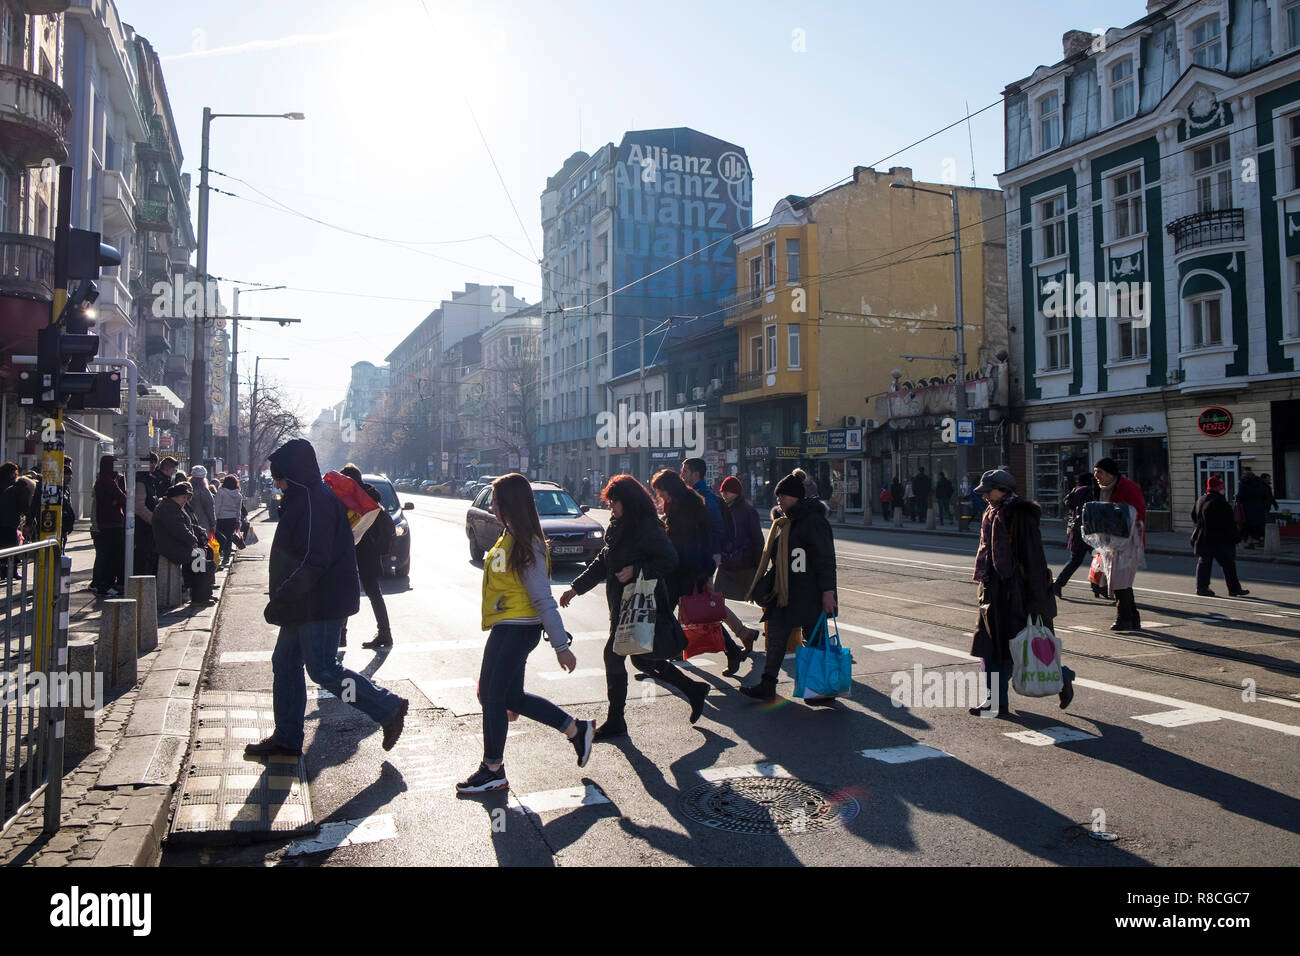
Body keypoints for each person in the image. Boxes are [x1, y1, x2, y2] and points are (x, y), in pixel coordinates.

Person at [245, 439, 409, 759]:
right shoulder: (306, 496)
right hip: (304, 601)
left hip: (319, 601)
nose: (276, 484)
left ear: (291, 475)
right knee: (286, 662)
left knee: (323, 670)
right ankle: (288, 737)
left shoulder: (311, 501)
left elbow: (312, 559)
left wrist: (283, 596)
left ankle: (388, 707)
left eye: (279, 477)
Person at [458, 474, 594, 793]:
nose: (491, 505)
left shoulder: (527, 543)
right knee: (507, 697)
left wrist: (561, 645)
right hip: (508, 627)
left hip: (518, 630)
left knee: (492, 696)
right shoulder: (511, 535)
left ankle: (493, 769)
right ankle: (577, 730)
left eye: (495, 500)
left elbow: (543, 598)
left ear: (510, 505)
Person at [560, 475, 707, 740]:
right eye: (608, 503)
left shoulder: (647, 527)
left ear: (627, 500)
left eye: (613, 502)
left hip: (641, 604)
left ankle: (616, 721)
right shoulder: (618, 526)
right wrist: (576, 588)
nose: (610, 507)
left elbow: (670, 560)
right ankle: (693, 690)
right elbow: (603, 562)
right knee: (640, 657)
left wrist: (638, 569)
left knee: (614, 654)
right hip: (622, 603)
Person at [969, 469, 1074, 716]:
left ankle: (1063, 675)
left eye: (988, 490)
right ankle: (995, 700)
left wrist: (1038, 599)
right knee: (990, 647)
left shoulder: (1020, 516)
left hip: (1016, 592)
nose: (984, 495)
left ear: (1003, 490)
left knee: (1020, 648)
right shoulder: (992, 512)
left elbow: (1034, 558)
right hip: (992, 589)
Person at [741, 471, 837, 701]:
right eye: (778, 497)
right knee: (775, 636)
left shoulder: (813, 522)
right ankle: (767, 684)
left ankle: (820, 688)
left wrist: (828, 592)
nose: (779, 501)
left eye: (782, 496)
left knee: (815, 640)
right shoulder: (785, 523)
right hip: (785, 592)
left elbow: (825, 559)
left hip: (811, 593)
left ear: (795, 497)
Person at [652, 469, 747, 676]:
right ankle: (661, 658)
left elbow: (690, 540)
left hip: (686, 568)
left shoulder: (685, 504)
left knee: (693, 615)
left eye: (661, 492)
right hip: (686, 567)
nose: (661, 496)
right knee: (693, 615)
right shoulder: (687, 501)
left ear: (669, 488)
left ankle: (658, 660)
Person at [339, 464, 395, 649]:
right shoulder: (372, 497)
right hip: (369, 552)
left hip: (350, 550)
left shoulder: (347, 497)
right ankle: (385, 633)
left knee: (345, 592)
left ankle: (341, 635)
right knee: (374, 593)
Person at [1091, 457, 1146, 631]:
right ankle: (1133, 617)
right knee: (1120, 581)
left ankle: (1124, 618)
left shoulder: (1127, 487)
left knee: (1120, 581)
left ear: (1109, 473)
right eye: (1095, 472)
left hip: (1128, 542)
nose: (1096, 476)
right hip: (1110, 542)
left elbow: (1137, 513)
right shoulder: (1100, 489)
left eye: (1099, 472)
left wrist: (1113, 516)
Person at [715, 475, 763, 656]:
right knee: (715, 603)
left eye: (725, 492)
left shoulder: (746, 511)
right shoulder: (725, 509)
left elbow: (758, 540)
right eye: (722, 492)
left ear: (733, 492)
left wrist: (759, 565)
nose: (723, 495)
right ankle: (744, 634)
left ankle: (777, 635)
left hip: (743, 565)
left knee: (762, 599)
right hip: (727, 565)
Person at [152, 482, 214, 606]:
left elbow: (185, 525)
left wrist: (197, 529)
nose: (186, 500)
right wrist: (193, 541)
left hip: (177, 545)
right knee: (200, 557)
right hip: (171, 547)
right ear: (176, 496)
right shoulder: (168, 508)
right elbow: (178, 528)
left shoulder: (172, 506)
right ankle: (199, 597)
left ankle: (203, 592)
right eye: (184, 497)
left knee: (205, 554)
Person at [1192, 476, 1249, 598]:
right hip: (1219, 539)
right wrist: (1236, 537)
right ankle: (1234, 589)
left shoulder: (1201, 499)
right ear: (1218, 488)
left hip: (1204, 537)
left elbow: (1194, 517)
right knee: (1228, 564)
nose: (1224, 490)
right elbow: (1228, 523)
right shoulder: (1220, 501)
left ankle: (1201, 587)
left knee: (1204, 563)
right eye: (1222, 487)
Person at [1053, 472, 1103, 599]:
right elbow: (1092, 510)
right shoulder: (1089, 491)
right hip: (1089, 531)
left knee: (1075, 560)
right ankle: (1097, 586)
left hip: (1076, 531)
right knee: (1099, 558)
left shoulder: (1076, 490)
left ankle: (1058, 584)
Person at [92, 456, 126, 596]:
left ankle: (105, 584)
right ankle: (105, 585)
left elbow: (119, 499)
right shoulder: (106, 481)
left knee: (108, 555)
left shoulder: (106, 480)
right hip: (109, 524)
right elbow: (123, 498)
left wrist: (116, 501)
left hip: (109, 523)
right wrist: (117, 501)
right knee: (109, 556)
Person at [1236, 469, 1275, 549]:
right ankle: (1261, 540)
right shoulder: (1260, 483)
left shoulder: (1244, 483)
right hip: (1259, 507)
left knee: (1248, 526)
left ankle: (1250, 543)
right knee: (1259, 525)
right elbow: (1266, 495)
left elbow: (1240, 496)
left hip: (1247, 508)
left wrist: (1238, 500)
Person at [214, 475, 244, 568]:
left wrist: (214, 519)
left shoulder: (221, 492)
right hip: (232, 519)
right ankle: (226, 557)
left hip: (221, 518)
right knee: (229, 538)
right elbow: (238, 510)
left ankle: (218, 556)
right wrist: (237, 521)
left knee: (219, 538)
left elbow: (217, 506)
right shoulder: (238, 495)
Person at [189, 465, 216, 544]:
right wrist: (213, 523)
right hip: (202, 523)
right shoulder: (204, 490)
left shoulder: (188, 489)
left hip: (189, 522)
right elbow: (210, 508)